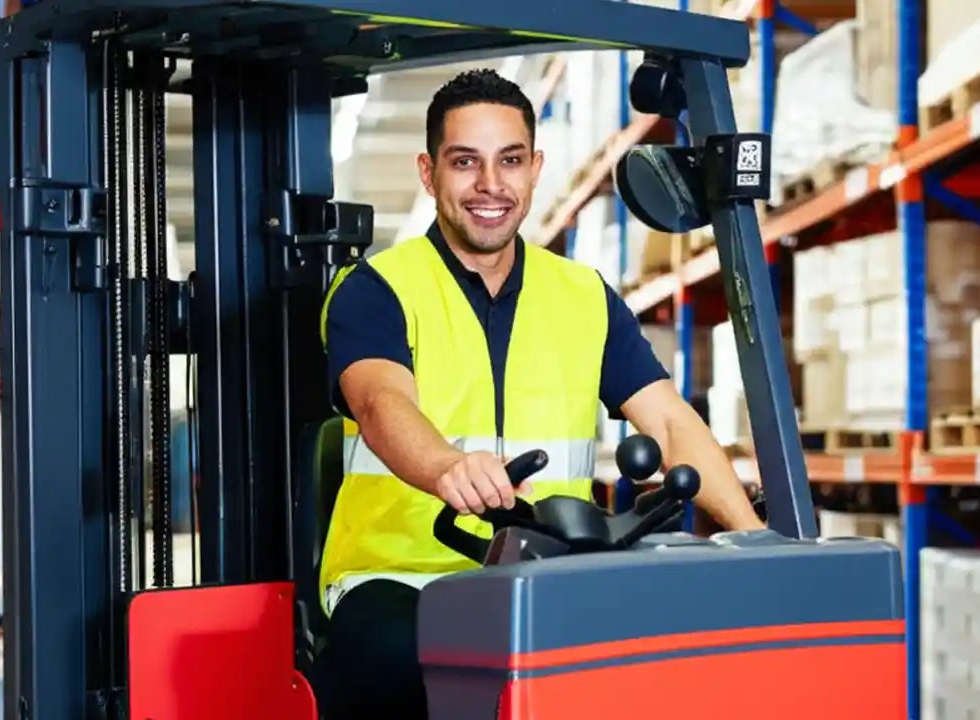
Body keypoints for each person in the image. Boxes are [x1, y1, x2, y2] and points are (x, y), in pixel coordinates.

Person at [316, 68, 766, 719]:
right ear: (428, 172)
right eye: (464, 162)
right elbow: (382, 402)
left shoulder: (584, 297)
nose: (490, 185)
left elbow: (668, 422)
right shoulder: (378, 288)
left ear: (535, 170)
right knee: (390, 656)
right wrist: (448, 468)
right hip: (401, 577)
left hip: (550, 568)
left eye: (510, 161)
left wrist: (752, 540)